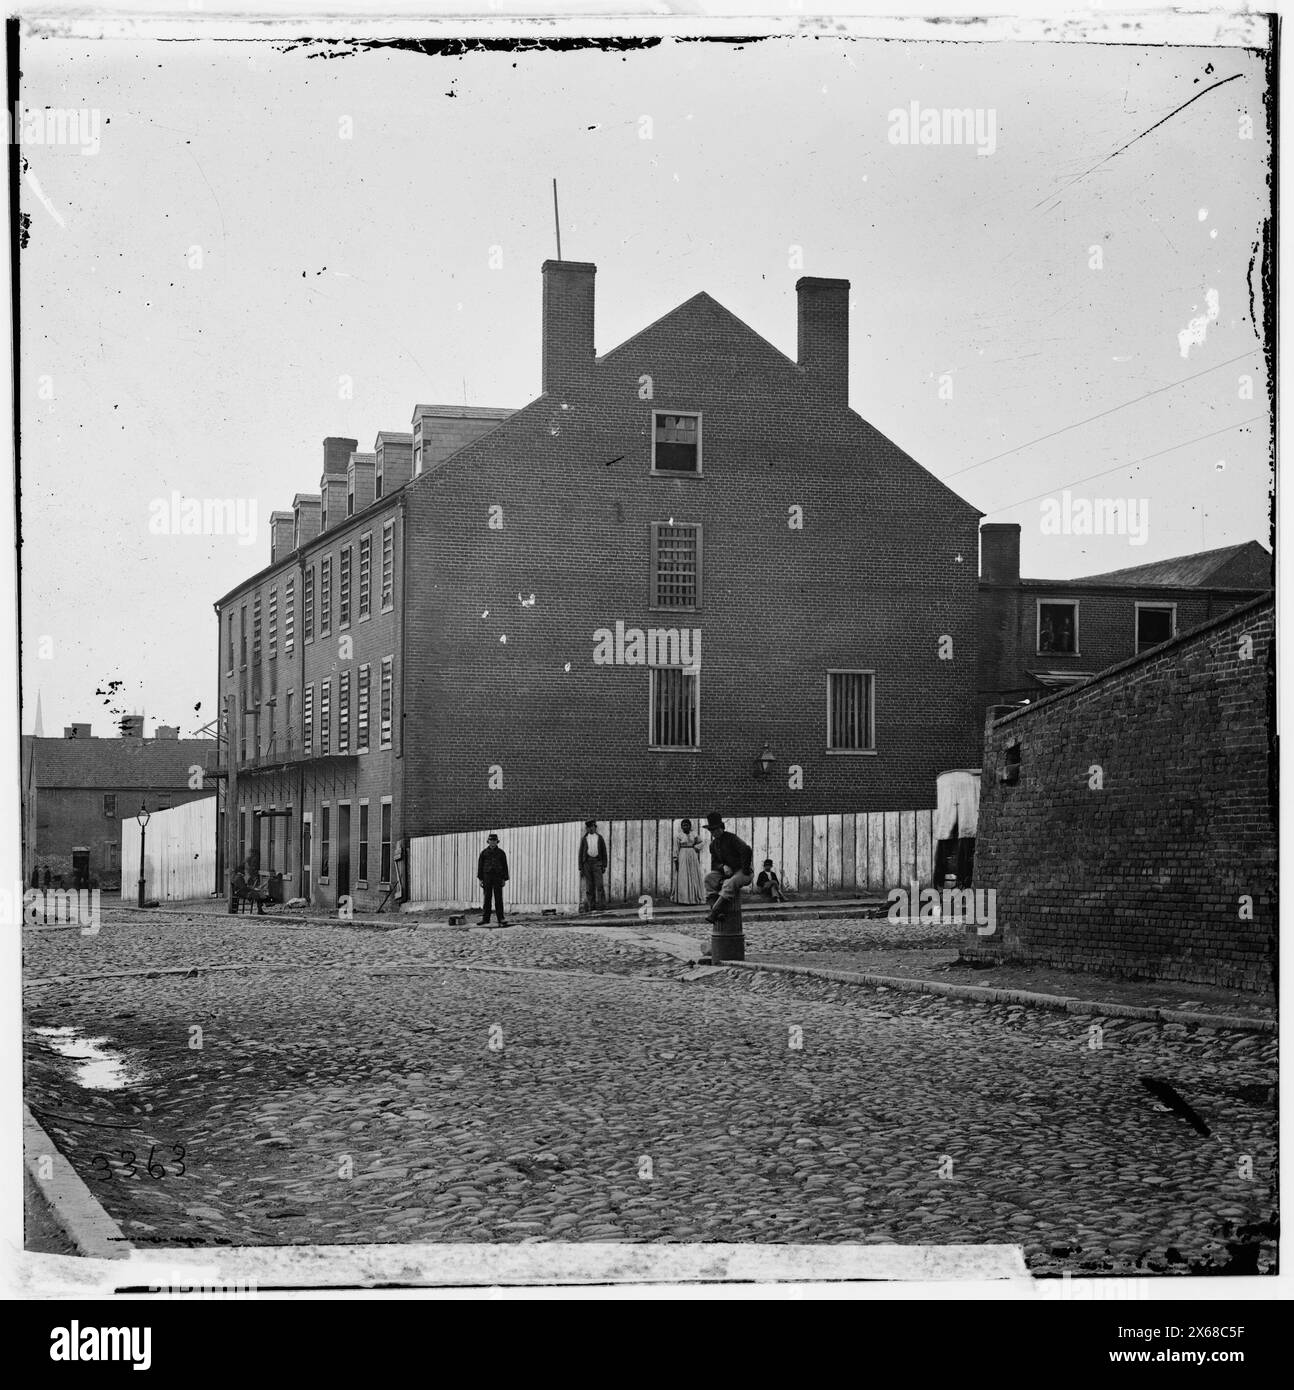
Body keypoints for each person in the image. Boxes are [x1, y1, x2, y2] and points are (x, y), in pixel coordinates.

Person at [702, 812, 754, 924]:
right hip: (727, 872)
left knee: (729, 883)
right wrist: (723, 866)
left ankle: (714, 912)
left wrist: (744, 869)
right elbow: (714, 864)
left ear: (722, 828)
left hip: (742, 872)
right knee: (709, 879)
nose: (714, 832)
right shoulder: (713, 845)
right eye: (711, 830)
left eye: (716, 829)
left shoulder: (732, 838)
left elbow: (746, 850)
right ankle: (718, 910)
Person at [477, 832, 509, 927]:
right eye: (491, 840)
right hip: (487, 878)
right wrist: (481, 879)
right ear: (488, 842)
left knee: (498, 899)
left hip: (498, 878)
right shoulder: (484, 853)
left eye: (494, 841)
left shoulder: (501, 853)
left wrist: (504, 878)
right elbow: (480, 866)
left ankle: (501, 918)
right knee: (487, 898)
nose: (492, 842)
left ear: (497, 842)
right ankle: (485, 919)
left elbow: (505, 866)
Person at [578, 820, 607, 913]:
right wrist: (580, 867)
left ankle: (602, 906)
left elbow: (604, 852)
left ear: (595, 827)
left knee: (599, 885)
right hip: (587, 863)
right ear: (587, 828)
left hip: (597, 863)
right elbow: (581, 853)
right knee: (589, 887)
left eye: (592, 827)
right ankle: (592, 907)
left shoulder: (600, 838)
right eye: (589, 827)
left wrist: (604, 865)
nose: (591, 829)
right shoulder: (584, 838)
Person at [673, 818, 704, 905]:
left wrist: (695, 847)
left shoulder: (694, 834)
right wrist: (676, 860)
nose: (685, 827)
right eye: (683, 825)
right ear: (681, 827)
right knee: (683, 876)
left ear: (690, 826)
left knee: (693, 874)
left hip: (692, 855)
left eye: (687, 825)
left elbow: (701, 843)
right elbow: (676, 849)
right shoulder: (679, 836)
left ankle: (694, 898)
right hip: (682, 855)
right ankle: (684, 899)